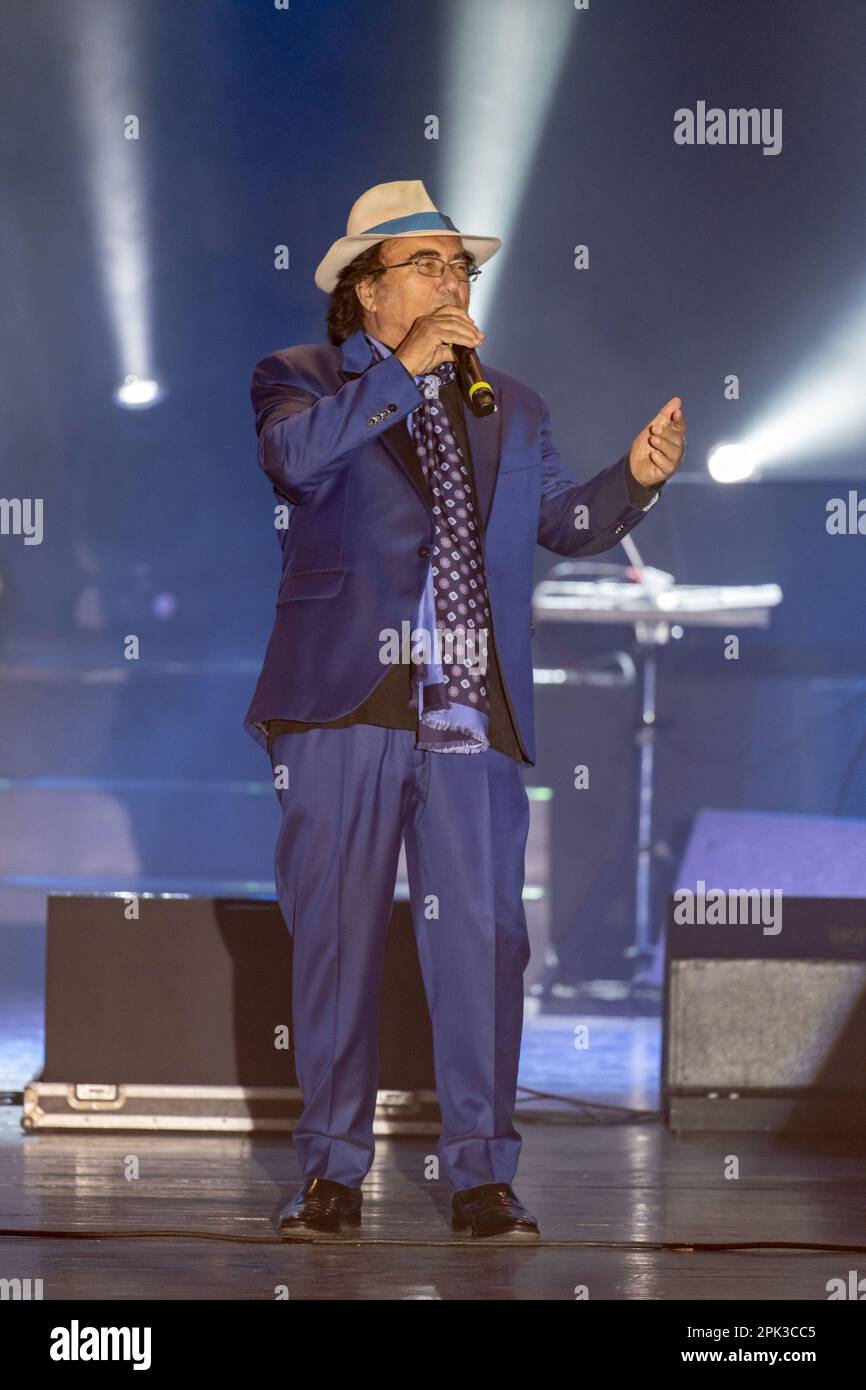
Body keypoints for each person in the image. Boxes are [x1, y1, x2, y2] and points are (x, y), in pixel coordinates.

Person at [243, 180, 686, 1241]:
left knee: (485, 942)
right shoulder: (298, 380)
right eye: (430, 264)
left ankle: (481, 1174)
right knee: (337, 940)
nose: (453, 282)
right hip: (345, 702)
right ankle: (332, 1175)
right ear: (365, 287)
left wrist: (631, 479)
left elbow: (561, 524)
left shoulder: (507, 404)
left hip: (469, 711)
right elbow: (298, 467)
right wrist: (403, 374)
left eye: (461, 268)